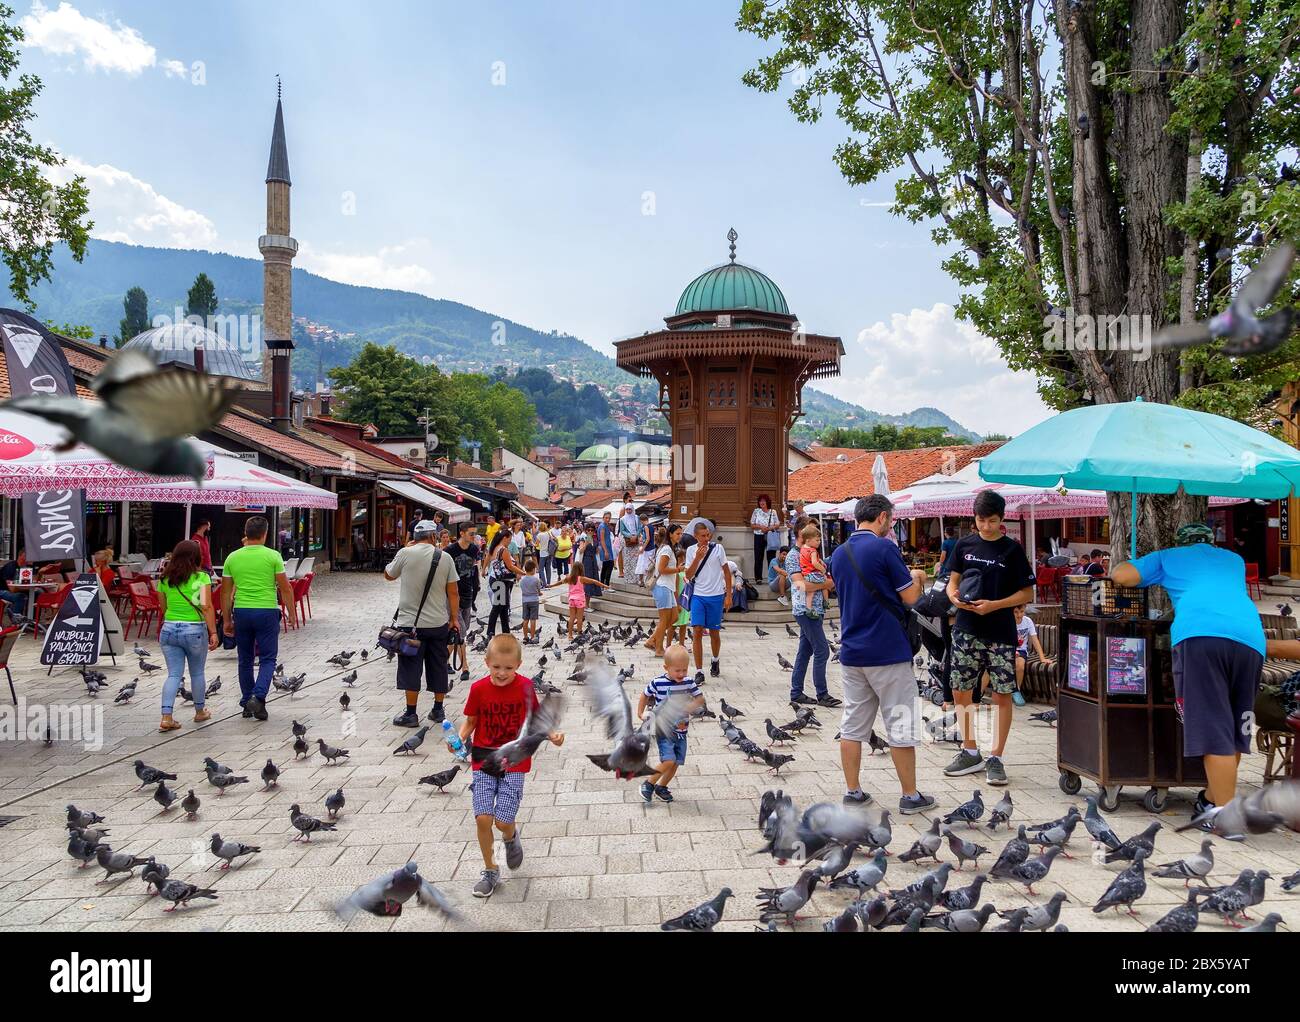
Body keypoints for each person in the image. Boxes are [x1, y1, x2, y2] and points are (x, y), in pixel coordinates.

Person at [1110, 522, 1266, 821]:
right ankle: (1211, 798)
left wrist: (1136, 564)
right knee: (1235, 726)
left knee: (1214, 730)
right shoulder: (1234, 560)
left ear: (1180, 541)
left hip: (1200, 637)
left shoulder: (1170, 556)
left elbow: (1122, 576)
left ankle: (1226, 818)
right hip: (1250, 640)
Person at [830, 494, 934, 813]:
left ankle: (853, 791)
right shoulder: (884, 547)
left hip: (852, 651)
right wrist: (918, 576)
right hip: (887, 650)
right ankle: (910, 795)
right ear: (883, 518)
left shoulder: (838, 553)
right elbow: (911, 597)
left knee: (852, 725)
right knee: (900, 722)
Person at [459, 633, 564, 898]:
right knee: (483, 818)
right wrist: (458, 739)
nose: (502, 673)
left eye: (508, 668)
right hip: (484, 759)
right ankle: (490, 870)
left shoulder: (526, 687)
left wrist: (552, 735)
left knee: (503, 821)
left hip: (514, 760)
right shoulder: (479, 689)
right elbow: (470, 722)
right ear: (486, 662)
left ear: (518, 664)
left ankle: (510, 835)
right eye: (496, 667)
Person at [943, 489, 1035, 787]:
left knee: (1001, 694)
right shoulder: (964, 545)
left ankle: (997, 756)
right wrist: (953, 598)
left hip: (1000, 632)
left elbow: (1027, 593)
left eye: (992, 521)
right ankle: (970, 750)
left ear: (1002, 519)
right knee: (960, 690)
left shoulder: (1013, 550)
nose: (986, 526)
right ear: (975, 518)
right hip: (966, 627)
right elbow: (952, 580)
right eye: (981, 520)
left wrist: (995, 605)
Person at [385, 519, 460, 726]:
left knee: (411, 667)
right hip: (438, 623)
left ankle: (411, 714)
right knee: (439, 665)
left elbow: (388, 575)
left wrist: (403, 550)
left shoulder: (405, 554)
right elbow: (453, 592)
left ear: (415, 538)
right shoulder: (444, 558)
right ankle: (437, 710)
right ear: (434, 536)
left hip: (410, 625)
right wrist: (454, 619)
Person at [221, 517, 295, 721]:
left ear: (246, 533)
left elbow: (225, 593)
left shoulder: (232, 558)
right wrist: (291, 613)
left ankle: (248, 703)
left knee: (244, 659)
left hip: (242, 611)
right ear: (265, 534)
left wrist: (227, 619)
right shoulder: (273, 556)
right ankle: (258, 695)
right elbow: (285, 587)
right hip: (266, 611)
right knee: (268, 658)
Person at [155, 539, 217, 733]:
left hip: (169, 629)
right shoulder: (201, 578)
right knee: (197, 672)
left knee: (174, 674)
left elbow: (163, 608)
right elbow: (206, 606)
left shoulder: (165, 579)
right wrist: (213, 631)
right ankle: (200, 711)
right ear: (196, 557)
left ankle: (166, 717)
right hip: (194, 630)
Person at [636, 644, 705, 805]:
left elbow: (700, 698)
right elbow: (644, 695)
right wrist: (640, 713)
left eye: (685, 670)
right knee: (668, 760)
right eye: (677, 670)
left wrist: (691, 707)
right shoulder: (658, 682)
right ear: (666, 667)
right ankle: (649, 784)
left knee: (675, 763)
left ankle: (662, 787)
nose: (681, 674)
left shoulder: (688, 682)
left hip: (682, 730)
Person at [786, 525, 841, 709]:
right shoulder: (794, 556)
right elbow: (802, 585)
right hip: (805, 609)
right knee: (822, 650)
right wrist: (826, 583)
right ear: (803, 535)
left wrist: (825, 581)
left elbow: (823, 578)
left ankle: (796, 692)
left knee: (805, 651)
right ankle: (822, 694)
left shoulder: (811, 553)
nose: (818, 538)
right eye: (814, 535)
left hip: (816, 609)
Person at [685, 520, 731, 685]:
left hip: (716, 595)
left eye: (707, 535)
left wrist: (729, 595)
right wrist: (697, 558)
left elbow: (726, 572)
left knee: (714, 632)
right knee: (697, 630)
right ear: (695, 536)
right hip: (698, 595)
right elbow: (688, 575)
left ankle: (715, 658)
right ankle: (699, 671)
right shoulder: (691, 551)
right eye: (702, 536)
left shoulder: (718, 548)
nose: (706, 538)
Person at [647, 524, 684, 655]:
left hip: (668, 587)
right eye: (678, 533)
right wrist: (678, 569)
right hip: (662, 586)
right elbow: (662, 569)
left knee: (674, 617)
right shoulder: (667, 549)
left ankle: (652, 640)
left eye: (681, 533)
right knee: (664, 620)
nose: (680, 536)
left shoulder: (670, 549)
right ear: (670, 534)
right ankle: (658, 648)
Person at [450, 526, 481, 681]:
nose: (474, 536)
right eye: (471, 533)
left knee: (459, 632)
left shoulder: (474, 549)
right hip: (452, 596)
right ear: (462, 533)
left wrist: (477, 587)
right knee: (461, 632)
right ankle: (465, 667)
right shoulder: (450, 550)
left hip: (468, 594)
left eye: (475, 533)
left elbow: (474, 570)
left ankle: (442, 662)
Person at [554, 560, 607, 639]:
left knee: (571, 618)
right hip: (580, 600)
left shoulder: (569, 578)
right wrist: (604, 585)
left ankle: (570, 635)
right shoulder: (582, 578)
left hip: (571, 599)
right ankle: (579, 634)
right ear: (581, 569)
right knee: (579, 618)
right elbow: (594, 581)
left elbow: (560, 582)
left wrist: (551, 586)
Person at [483, 529, 520, 637]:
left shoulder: (495, 547)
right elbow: (510, 566)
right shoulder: (503, 550)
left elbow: (488, 558)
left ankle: (505, 631)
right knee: (498, 607)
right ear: (505, 538)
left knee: (503, 606)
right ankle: (490, 632)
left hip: (497, 580)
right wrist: (523, 572)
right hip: (501, 581)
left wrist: (483, 569)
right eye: (510, 539)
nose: (510, 541)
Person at [1013, 604, 1051, 708]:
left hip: (1021, 650)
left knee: (1020, 665)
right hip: (1009, 649)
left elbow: (1034, 639)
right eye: (1016, 612)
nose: (1019, 615)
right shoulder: (1008, 621)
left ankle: (1017, 690)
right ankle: (979, 692)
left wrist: (1042, 658)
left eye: (1021, 611)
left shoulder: (1027, 621)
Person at [750, 494, 781, 576]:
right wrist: (760, 526)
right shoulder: (756, 511)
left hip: (770, 536)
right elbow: (752, 525)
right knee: (758, 557)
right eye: (760, 501)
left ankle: (772, 576)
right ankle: (758, 578)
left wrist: (769, 528)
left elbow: (777, 524)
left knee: (771, 557)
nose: (761, 502)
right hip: (758, 536)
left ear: (767, 502)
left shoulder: (773, 512)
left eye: (763, 501)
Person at [519, 558, 542, 644]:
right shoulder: (536, 580)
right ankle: (532, 637)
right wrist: (539, 593)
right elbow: (538, 590)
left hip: (525, 601)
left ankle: (525, 637)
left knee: (525, 619)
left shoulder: (522, 580)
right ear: (533, 569)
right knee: (533, 620)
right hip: (534, 601)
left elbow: (522, 589)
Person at [0, 550, 27, 621]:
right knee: (20, 596)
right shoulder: (11, 567)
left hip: (13, 590)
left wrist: (40, 573)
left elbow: (33, 581)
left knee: (37, 593)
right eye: (25, 556)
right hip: (2, 590)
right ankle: (16, 622)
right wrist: (27, 589)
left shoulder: (26, 568)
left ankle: (32, 621)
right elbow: (11, 589)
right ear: (20, 556)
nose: (28, 558)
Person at [618, 503, 642, 579]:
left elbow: (639, 528)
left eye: (630, 509)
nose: (628, 511)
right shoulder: (622, 519)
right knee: (628, 560)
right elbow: (622, 531)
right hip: (628, 541)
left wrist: (636, 535)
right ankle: (628, 578)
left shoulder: (636, 518)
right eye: (627, 509)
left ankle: (636, 578)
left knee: (636, 559)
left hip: (636, 541)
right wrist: (630, 536)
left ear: (632, 509)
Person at [596, 511, 616, 586]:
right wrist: (606, 551)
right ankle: (606, 584)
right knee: (610, 565)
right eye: (606, 518)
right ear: (603, 518)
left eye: (609, 518)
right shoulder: (603, 526)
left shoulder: (605, 526)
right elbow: (602, 540)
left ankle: (602, 584)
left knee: (605, 566)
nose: (608, 519)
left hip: (607, 547)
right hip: (605, 548)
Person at [535, 521, 554, 586]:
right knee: (548, 569)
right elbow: (552, 540)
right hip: (549, 553)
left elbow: (536, 545)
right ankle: (548, 583)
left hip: (542, 554)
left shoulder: (539, 535)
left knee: (541, 569)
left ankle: (544, 584)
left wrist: (533, 544)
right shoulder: (548, 533)